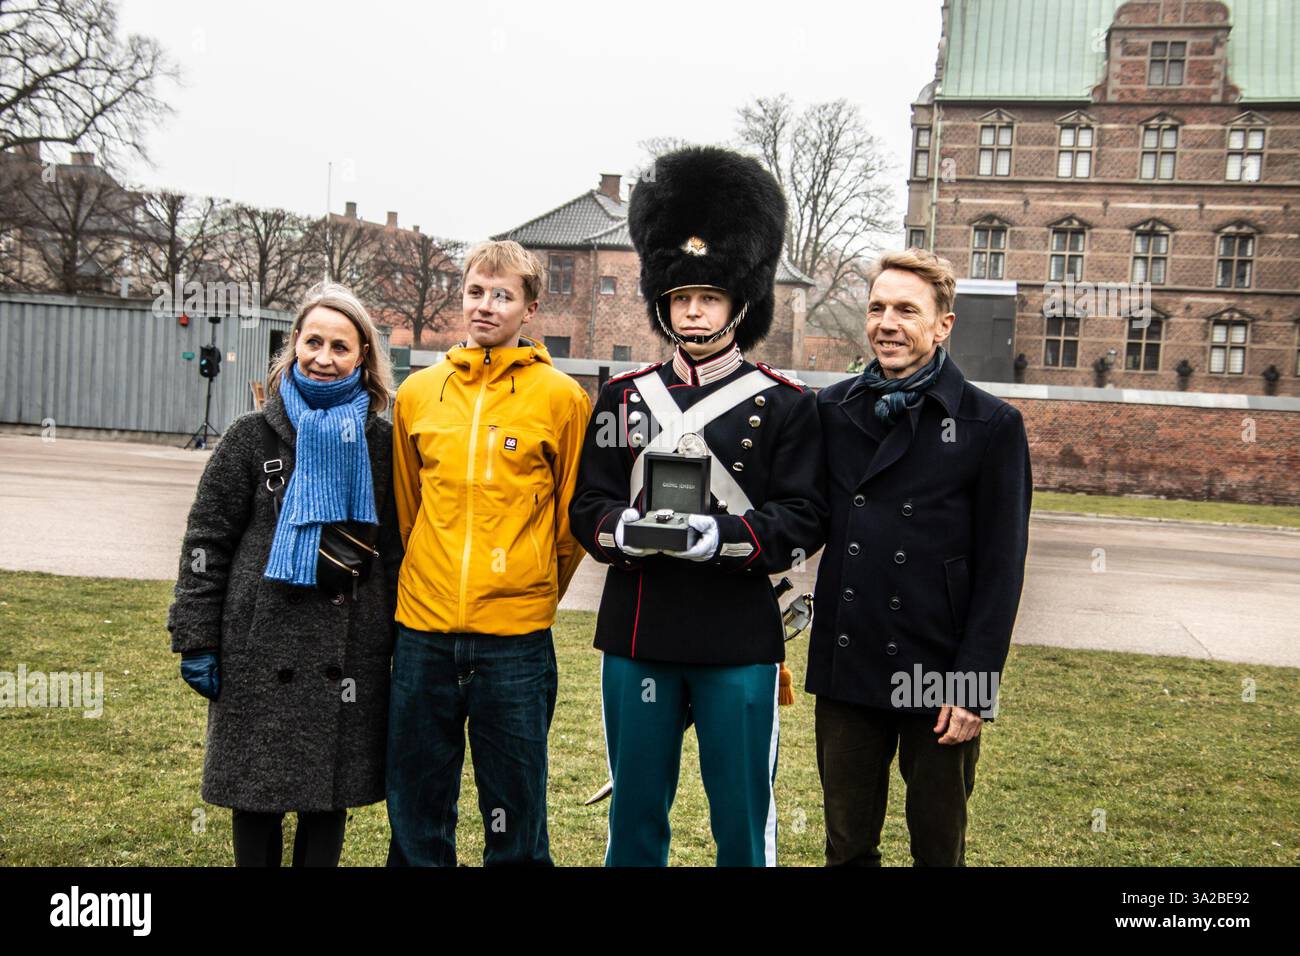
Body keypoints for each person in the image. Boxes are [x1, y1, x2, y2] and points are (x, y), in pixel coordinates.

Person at [570, 146, 828, 867]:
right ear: (663, 302)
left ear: (739, 304)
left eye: (708, 297)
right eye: (681, 298)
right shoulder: (624, 398)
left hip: (737, 638)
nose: (693, 310)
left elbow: (804, 518)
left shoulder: (784, 406)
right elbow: (588, 502)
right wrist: (620, 528)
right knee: (635, 821)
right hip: (640, 632)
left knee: (742, 824)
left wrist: (723, 538)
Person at [807, 248, 1032, 866]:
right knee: (848, 849)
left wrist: (974, 686)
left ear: (943, 325)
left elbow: (1001, 569)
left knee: (938, 849)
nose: (887, 323)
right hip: (849, 663)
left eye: (907, 310)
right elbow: (799, 519)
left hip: (940, 672)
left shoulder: (991, 425)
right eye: (877, 307)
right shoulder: (834, 409)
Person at [168, 281, 402, 867]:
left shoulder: (383, 443)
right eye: (313, 341)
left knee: (328, 803)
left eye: (341, 347)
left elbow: (399, 548)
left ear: (363, 358)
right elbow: (206, 542)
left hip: (349, 648)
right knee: (256, 797)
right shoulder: (252, 436)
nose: (324, 358)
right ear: (293, 345)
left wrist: (401, 640)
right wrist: (196, 637)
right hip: (257, 643)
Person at [385, 239, 591, 866]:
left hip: (516, 641)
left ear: (530, 308)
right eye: (476, 290)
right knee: (418, 809)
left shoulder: (561, 399)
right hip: (423, 633)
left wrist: (528, 589)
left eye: (503, 295)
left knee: (516, 812)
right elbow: (407, 507)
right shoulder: (418, 393)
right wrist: (433, 578)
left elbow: (570, 523)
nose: (486, 305)